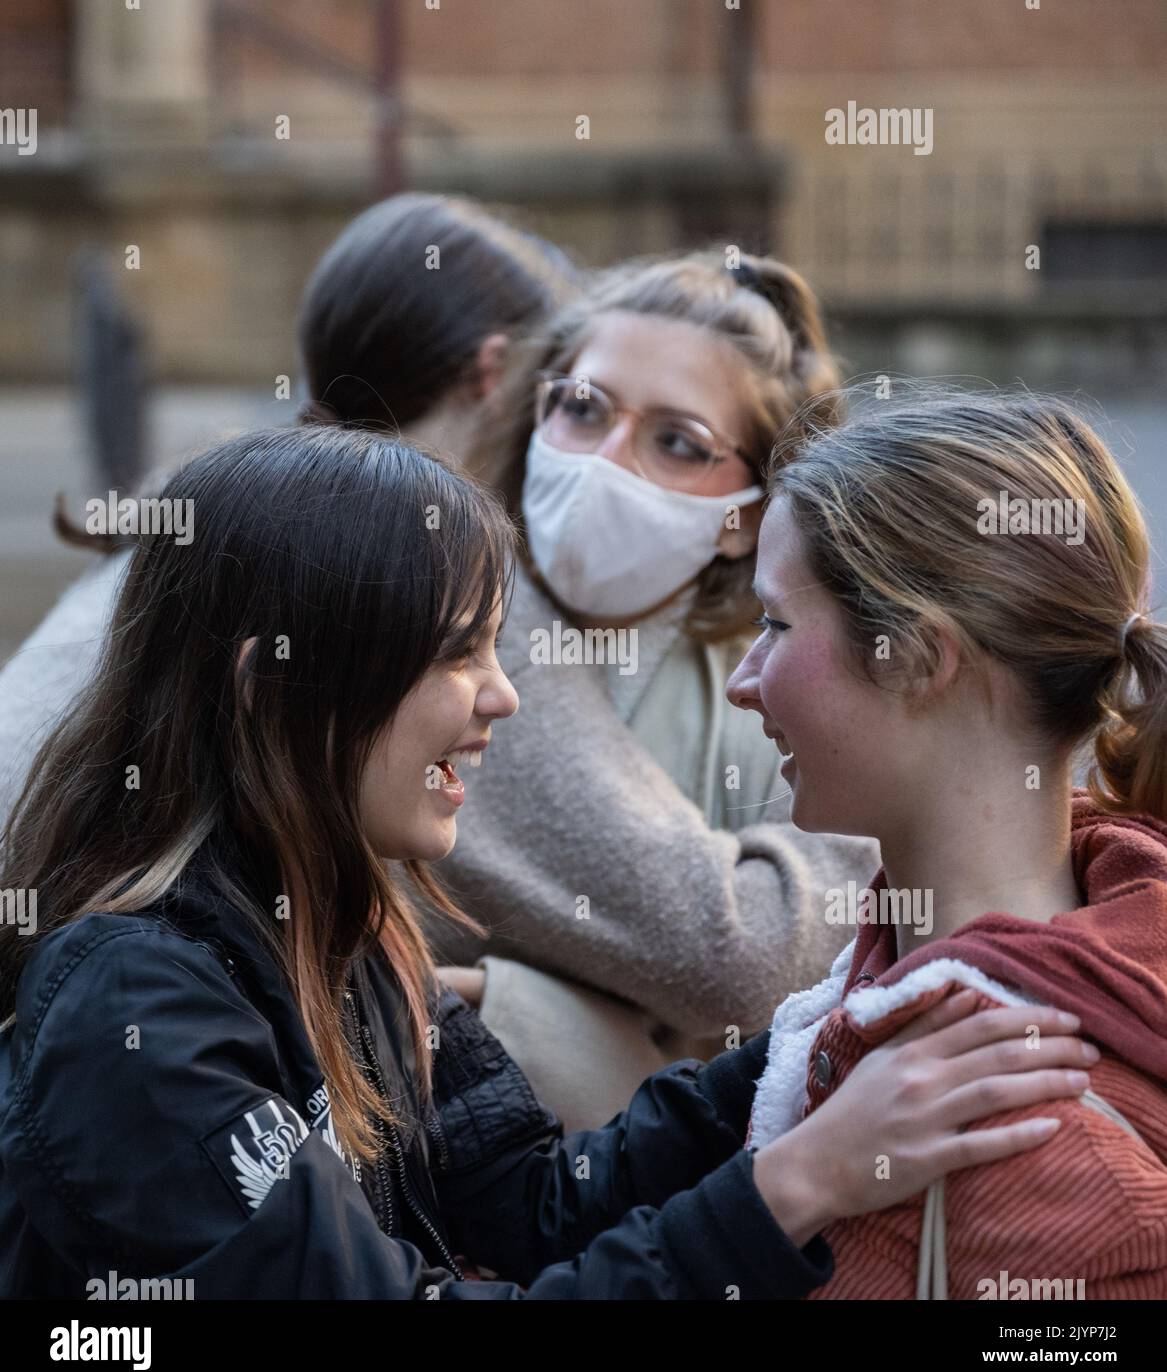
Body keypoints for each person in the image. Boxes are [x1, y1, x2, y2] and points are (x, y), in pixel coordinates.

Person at [0, 426, 1100, 1299]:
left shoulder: (349, 935)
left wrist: (818, 1044)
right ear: (271, 688)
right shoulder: (135, 1010)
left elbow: (531, 1209)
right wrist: (797, 1184)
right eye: (454, 652)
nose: (503, 697)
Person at [426, 250, 880, 1129]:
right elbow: (743, 964)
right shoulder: (434, 620)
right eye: (582, 408)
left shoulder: (768, 696)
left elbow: (766, 1015)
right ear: (535, 408)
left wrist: (500, 1000)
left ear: (745, 516)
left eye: (677, 443)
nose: (604, 461)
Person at [729, 389, 1167, 1299]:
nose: (744, 680)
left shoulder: (1051, 1161)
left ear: (919, 658)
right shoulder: (897, 987)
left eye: (773, 624)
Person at [0, 191, 576, 825]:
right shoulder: (389, 566)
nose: (555, 435)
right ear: (492, 374)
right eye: (551, 395)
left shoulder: (229, 501)